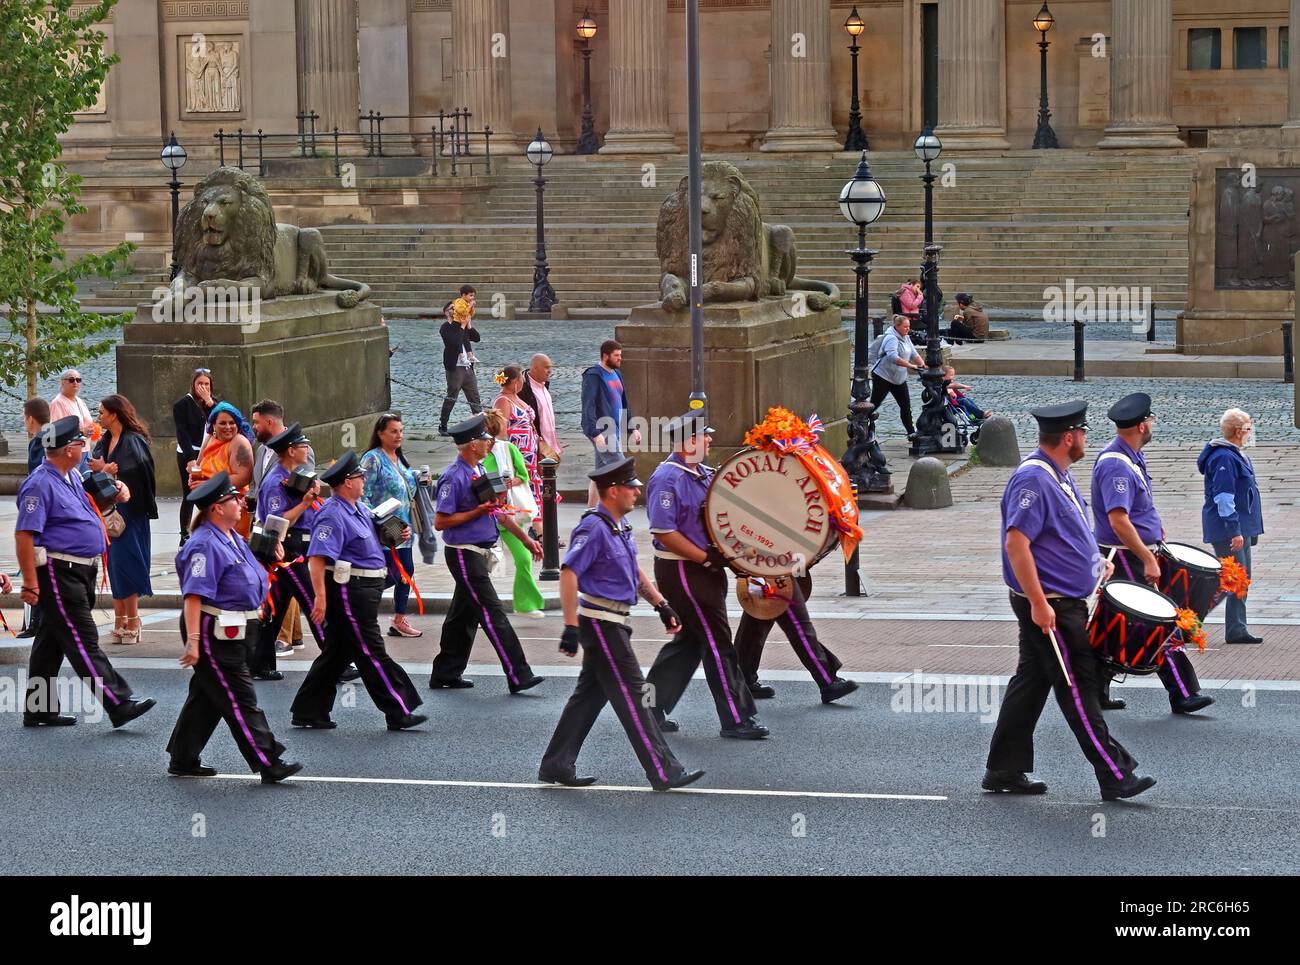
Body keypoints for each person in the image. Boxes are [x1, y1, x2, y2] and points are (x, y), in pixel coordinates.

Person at [983, 401, 1156, 802]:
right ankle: (1115, 773)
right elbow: (1017, 545)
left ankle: (1004, 768)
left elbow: (1065, 533)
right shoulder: (1034, 480)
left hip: (1061, 601)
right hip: (1053, 606)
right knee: (1078, 685)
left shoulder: (1057, 473)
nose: (1085, 439)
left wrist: (1095, 562)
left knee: (1031, 681)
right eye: (1082, 433)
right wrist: (1038, 603)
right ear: (1068, 437)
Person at [539, 456, 706, 791]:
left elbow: (634, 570)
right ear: (613, 491)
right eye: (631, 487)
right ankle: (664, 770)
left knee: (588, 696)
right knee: (636, 697)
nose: (637, 492)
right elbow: (569, 573)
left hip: (614, 621)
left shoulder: (620, 526)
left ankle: (557, 762)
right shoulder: (593, 528)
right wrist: (570, 627)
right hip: (602, 625)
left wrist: (661, 604)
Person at [15, 416, 156, 729]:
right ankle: (118, 702)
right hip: (58, 571)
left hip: (78, 570)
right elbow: (24, 534)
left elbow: (90, 508)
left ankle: (39, 708)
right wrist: (30, 582)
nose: (85, 448)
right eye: (81, 444)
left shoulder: (71, 476)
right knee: (83, 639)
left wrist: (115, 491)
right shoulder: (40, 484)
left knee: (51, 641)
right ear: (68, 449)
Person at [167, 472, 302, 783]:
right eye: (235, 499)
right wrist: (193, 641)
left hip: (236, 628)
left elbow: (245, 578)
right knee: (240, 697)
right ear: (217, 507)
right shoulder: (204, 544)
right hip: (212, 629)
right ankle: (268, 760)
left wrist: (270, 561)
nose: (242, 503)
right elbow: (193, 595)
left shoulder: (231, 537)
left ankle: (183, 757)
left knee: (208, 695)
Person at [644, 413, 768, 740]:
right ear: (688, 442)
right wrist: (706, 558)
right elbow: (664, 531)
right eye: (704, 435)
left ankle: (648, 708)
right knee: (717, 642)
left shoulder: (703, 473)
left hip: (704, 568)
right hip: (683, 569)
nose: (710, 440)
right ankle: (736, 718)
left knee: (688, 642)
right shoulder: (667, 478)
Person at [1091, 393, 1213, 714]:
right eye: (1151, 420)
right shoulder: (1116, 465)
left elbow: (1135, 510)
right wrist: (1146, 557)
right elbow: (1118, 520)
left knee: (1120, 624)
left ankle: (1096, 690)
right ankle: (1183, 693)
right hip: (1126, 556)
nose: (1153, 424)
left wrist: (1155, 531)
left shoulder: (1129, 456)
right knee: (1161, 621)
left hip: (1133, 552)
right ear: (1142, 426)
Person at [290, 451, 426, 731]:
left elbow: (370, 541)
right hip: (349, 591)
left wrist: (396, 535)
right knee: (371, 650)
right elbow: (317, 558)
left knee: (337, 653)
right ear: (347, 482)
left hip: (366, 589)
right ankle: (399, 709)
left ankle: (309, 710)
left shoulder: (360, 508)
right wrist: (320, 598)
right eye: (359, 476)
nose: (364, 480)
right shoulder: (332, 514)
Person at [430, 414, 545, 693]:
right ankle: (519, 674)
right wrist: (476, 512)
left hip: (479, 553)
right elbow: (441, 522)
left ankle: (445, 672)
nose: (489, 442)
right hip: (464, 554)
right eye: (484, 439)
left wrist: (526, 540)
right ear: (472, 444)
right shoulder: (453, 477)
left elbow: (499, 513)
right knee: (493, 613)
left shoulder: (480, 470)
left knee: (462, 616)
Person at [250, 423, 325, 678]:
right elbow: (277, 520)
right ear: (291, 451)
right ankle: (335, 661)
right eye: (303, 445)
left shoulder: (299, 476)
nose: (307, 449)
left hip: (303, 544)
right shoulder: (275, 481)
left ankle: (258, 663)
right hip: (288, 549)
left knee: (274, 607)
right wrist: (304, 504)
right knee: (314, 602)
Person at [89, 394, 157, 646]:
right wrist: (104, 469)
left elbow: (141, 474)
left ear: (114, 414)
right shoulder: (104, 440)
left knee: (128, 562)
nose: (99, 416)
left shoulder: (133, 441)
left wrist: (105, 470)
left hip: (131, 512)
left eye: (102, 412)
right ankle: (120, 619)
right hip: (109, 513)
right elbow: (94, 471)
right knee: (114, 564)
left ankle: (134, 620)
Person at [734, 572, 858, 704]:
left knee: (757, 620)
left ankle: (742, 679)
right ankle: (827, 681)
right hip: (776, 572)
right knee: (798, 625)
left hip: (763, 570)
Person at [1199, 407, 1264, 644]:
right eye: (1248, 428)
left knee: (1239, 578)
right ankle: (1192, 620)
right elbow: (1224, 497)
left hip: (1240, 528)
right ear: (1238, 432)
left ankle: (1236, 628)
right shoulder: (1224, 457)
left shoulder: (1234, 454)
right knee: (1234, 579)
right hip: (1228, 530)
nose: (1250, 432)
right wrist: (1234, 530)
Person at [359, 414, 422, 639]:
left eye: (401, 431)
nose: (399, 435)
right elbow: (362, 495)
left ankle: (399, 619)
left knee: (407, 572)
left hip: (404, 527)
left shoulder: (399, 458)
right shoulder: (372, 459)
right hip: (385, 528)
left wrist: (419, 479)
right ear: (380, 433)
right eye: (394, 431)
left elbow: (407, 487)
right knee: (392, 573)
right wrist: (379, 522)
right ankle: (360, 604)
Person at [483, 410, 544, 619]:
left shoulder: (508, 449)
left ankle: (525, 604)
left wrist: (511, 482)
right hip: (483, 517)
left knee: (524, 558)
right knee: (481, 568)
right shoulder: (475, 453)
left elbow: (524, 475)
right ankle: (478, 612)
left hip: (506, 515)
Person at [581, 340, 641, 507]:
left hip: (615, 430)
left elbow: (624, 403)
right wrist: (595, 433)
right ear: (605, 356)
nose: (620, 358)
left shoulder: (617, 374)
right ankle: (620, 510)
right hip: (603, 430)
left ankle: (591, 512)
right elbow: (588, 406)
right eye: (616, 355)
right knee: (621, 468)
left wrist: (632, 428)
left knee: (599, 474)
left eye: (620, 355)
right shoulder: (594, 376)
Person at [189, 402, 255, 539]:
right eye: (223, 423)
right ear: (213, 425)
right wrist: (193, 475)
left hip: (231, 508)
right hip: (208, 504)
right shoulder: (210, 438)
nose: (228, 427)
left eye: (232, 423)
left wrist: (209, 486)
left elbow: (244, 476)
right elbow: (199, 464)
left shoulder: (239, 442)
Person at [493, 365, 544, 529]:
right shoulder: (503, 400)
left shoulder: (516, 398)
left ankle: (539, 531)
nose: (523, 382)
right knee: (526, 491)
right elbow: (501, 432)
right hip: (519, 455)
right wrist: (508, 459)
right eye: (522, 378)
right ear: (515, 381)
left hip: (530, 456)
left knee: (533, 491)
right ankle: (539, 532)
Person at [173, 368, 216, 544]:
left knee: (210, 492)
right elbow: (182, 433)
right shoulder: (182, 405)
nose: (203, 387)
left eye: (207, 384)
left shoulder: (214, 404)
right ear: (193, 385)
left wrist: (209, 402)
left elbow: (218, 420)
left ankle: (212, 528)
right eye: (200, 384)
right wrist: (190, 459)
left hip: (208, 453)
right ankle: (184, 534)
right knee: (189, 493)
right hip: (189, 452)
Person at [438, 285, 483, 435]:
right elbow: (454, 342)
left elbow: (476, 338)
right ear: (446, 312)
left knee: (474, 397)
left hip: (467, 367)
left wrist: (468, 326)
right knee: (452, 397)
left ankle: (480, 427)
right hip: (455, 367)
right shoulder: (445, 328)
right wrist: (463, 326)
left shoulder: (461, 324)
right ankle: (443, 424)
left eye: (455, 308)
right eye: (451, 308)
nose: (454, 310)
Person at [870, 316, 924, 438]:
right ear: (897, 326)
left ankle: (911, 433)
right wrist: (910, 365)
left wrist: (923, 365)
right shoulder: (891, 338)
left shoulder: (906, 337)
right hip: (883, 376)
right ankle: (862, 425)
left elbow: (914, 353)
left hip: (898, 378)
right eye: (905, 327)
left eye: (909, 326)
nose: (908, 329)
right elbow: (892, 357)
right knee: (875, 403)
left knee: (905, 406)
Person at [518, 353, 563, 464]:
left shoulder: (543, 384)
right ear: (535, 368)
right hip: (537, 446)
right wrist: (536, 439)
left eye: (550, 367)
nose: (550, 371)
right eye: (546, 367)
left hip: (549, 446)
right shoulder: (524, 389)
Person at [49, 369, 95, 437]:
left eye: (78, 380)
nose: (75, 382)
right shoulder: (57, 403)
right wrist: (81, 433)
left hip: (87, 443)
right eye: (71, 380)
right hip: (71, 444)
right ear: (62, 383)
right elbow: (56, 432)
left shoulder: (80, 401)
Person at [24, 397, 50, 474]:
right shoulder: (55, 439)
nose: (23, 421)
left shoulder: (34, 444)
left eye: (24, 417)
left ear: (30, 419)